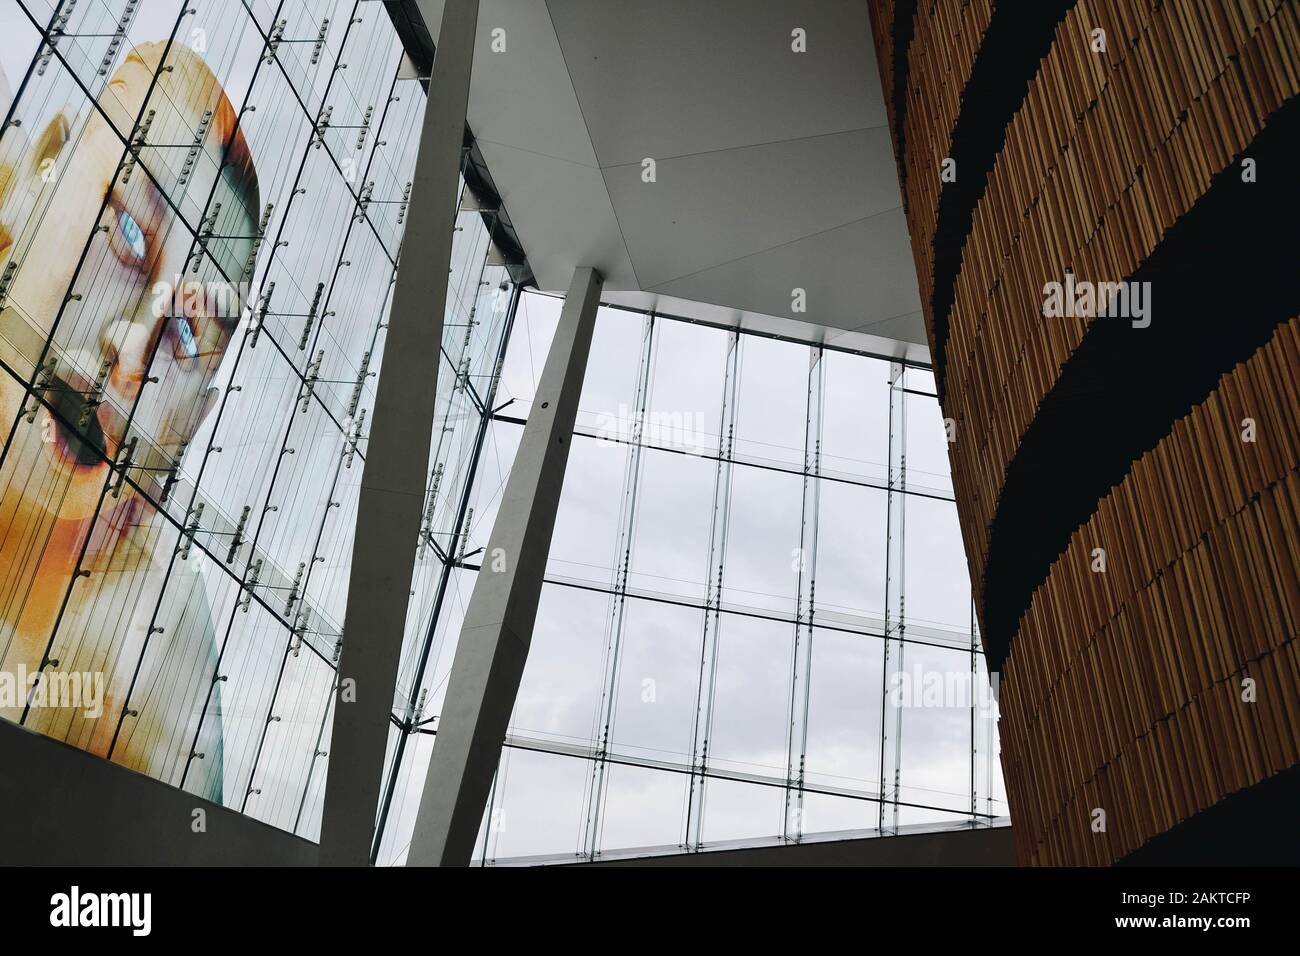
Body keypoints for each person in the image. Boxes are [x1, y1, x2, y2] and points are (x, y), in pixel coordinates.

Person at [0, 41, 260, 802]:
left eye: (183, 338)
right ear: (23, 186)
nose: (129, 349)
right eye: (128, 235)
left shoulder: (149, 656)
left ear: (186, 430)